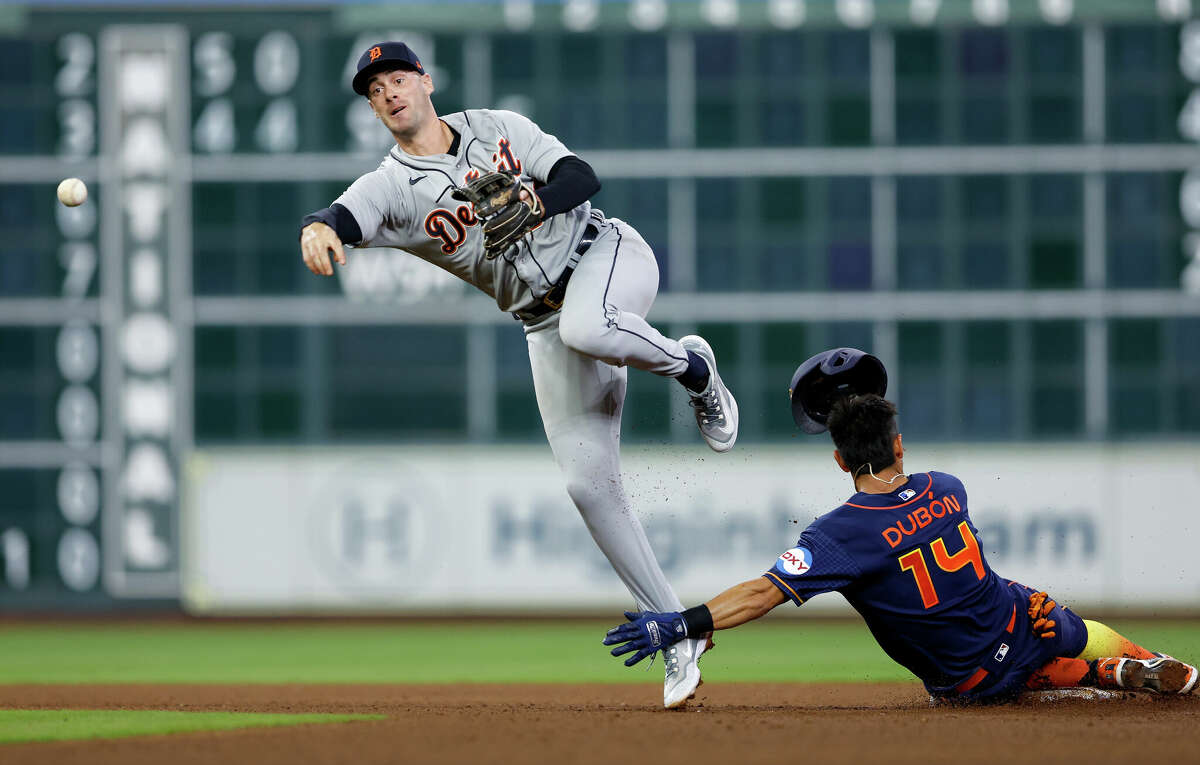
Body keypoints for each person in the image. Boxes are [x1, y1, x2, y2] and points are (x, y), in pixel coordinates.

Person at [298, 42, 736, 708]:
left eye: (397, 78)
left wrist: (534, 202)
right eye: (373, 88)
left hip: (607, 255)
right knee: (589, 488)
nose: (387, 92)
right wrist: (319, 227)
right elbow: (341, 214)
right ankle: (677, 633)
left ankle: (694, 370)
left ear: (425, 81)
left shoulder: (499, 129)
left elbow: (581, 177)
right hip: (540, 323)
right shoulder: (390, 185)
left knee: (588, 325)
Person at [603, 348, 1198, 703]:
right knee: (1065, 624)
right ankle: (1151, 669)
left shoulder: (843, 534)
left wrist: (681, 624)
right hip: (1021, 617)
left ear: (840, 460)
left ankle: (1100, 675)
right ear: (900, 446)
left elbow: (763, 593)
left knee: (1003, 678)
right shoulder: (947, 487)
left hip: (972, 678)